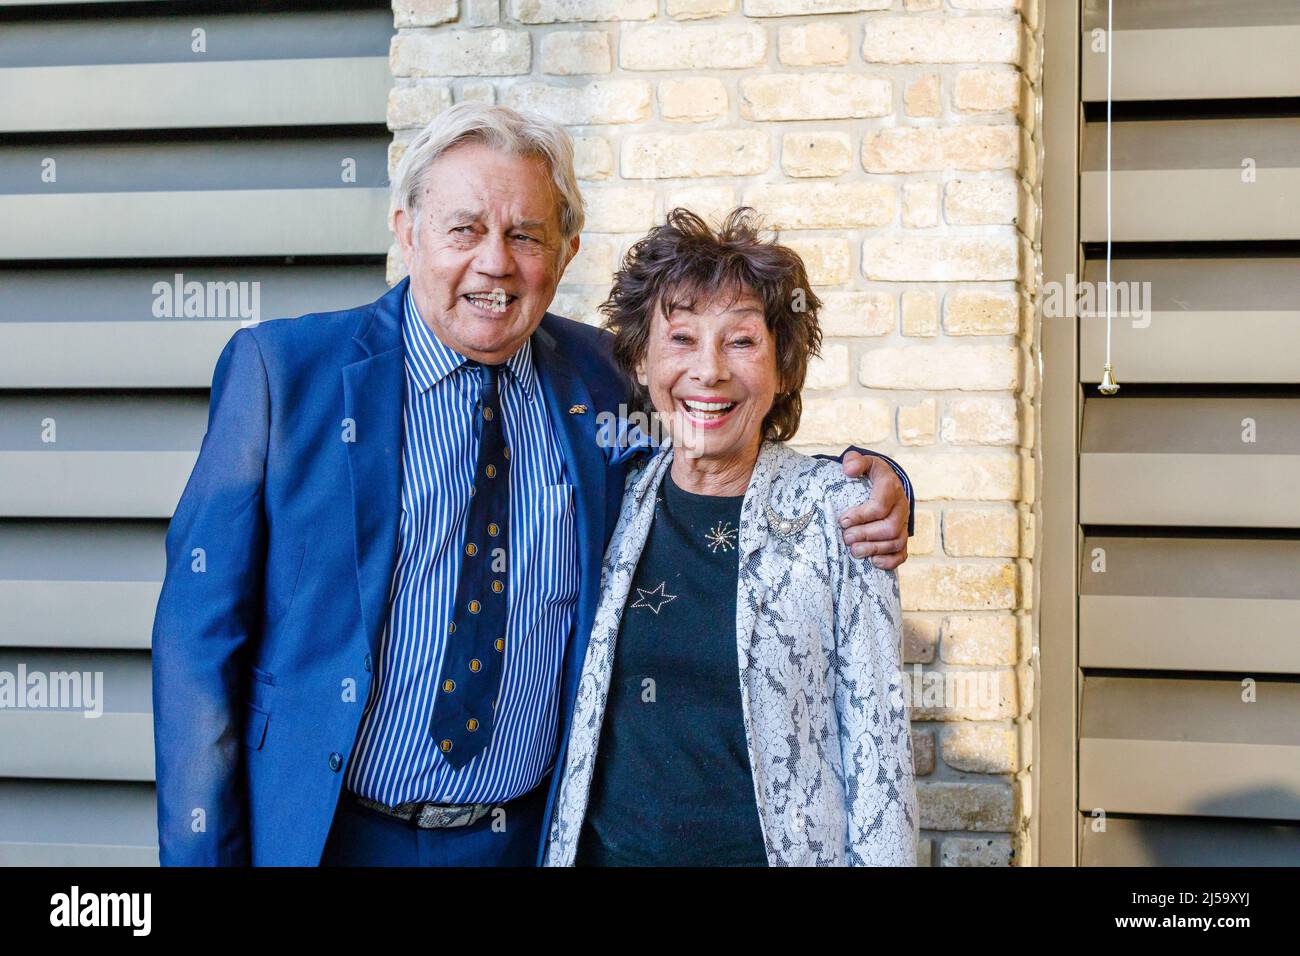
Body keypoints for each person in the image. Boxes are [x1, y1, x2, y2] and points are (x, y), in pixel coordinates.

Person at [151, 103, 914, 866]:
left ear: (568, 249)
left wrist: (879, 485)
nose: (495, 262)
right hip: (327, 836)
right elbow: (197, 642)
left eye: (525, 235)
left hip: (522, 842)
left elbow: (716, 430)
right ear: (406, 229)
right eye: (465, 228)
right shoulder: (285, 374)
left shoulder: (605, 379)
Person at [544, 207, 917, 866]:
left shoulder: (842, 514)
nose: (709, 371)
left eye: (741, 342)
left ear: (783, 366)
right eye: (682, 338)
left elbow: (879, 754)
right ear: (639, 359)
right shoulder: (612, 494)